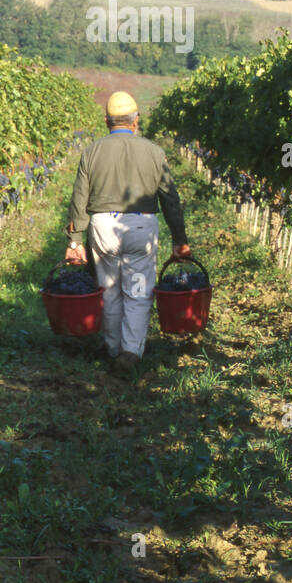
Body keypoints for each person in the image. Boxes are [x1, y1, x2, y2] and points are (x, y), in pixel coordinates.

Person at [64, 91, 192, 375]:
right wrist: (180, 240)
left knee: (109, 291)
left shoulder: (92, 151)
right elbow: (170, 199)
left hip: (103, 226)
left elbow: (79, 199)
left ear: (106, 121)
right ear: (136, 121)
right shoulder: (154, 152)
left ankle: (112, 350)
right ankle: (131, 352)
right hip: (140, 226)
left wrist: (74, 241)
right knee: (137, 291)